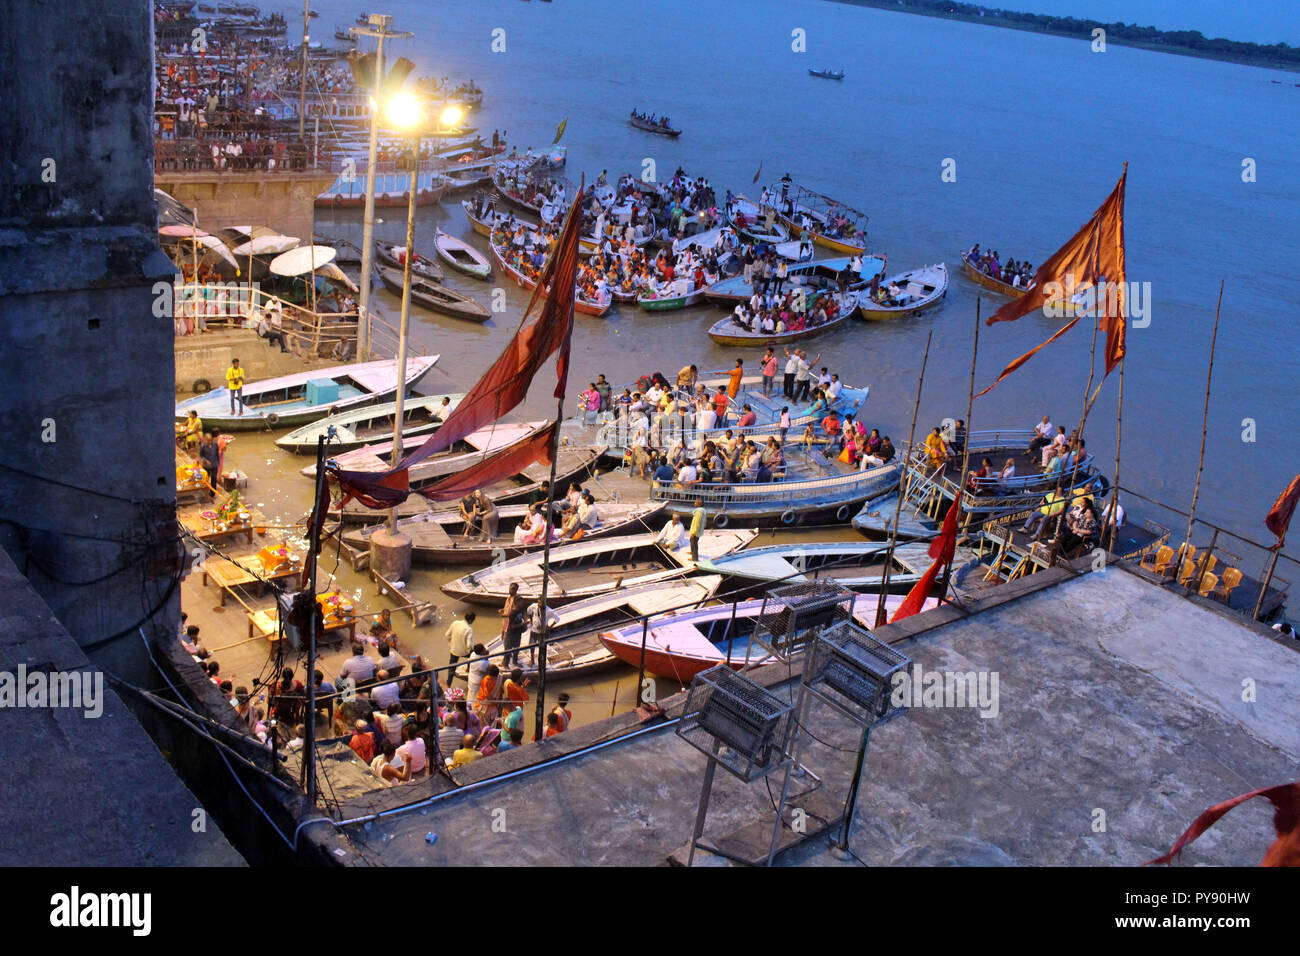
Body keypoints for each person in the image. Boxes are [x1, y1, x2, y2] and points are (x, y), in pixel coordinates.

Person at [499, 583, 527, 668]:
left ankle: (512, 662)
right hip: (506, 624)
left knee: (514, 645)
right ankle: (506, 661)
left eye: (513, 589)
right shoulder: (509, 598)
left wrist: (505, 615)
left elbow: (515, 611)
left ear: (516, 590)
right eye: (510, 588)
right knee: (506, 643)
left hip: (515, 626)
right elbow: (508, 609)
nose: (511, 590)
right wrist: (503, 610)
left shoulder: (519, 599)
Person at [198, 431, 220, 499]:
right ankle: (205, 493)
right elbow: (201, 455)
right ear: (206, 440)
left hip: (214, 465)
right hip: (206, 466)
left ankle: (212, 493)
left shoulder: (215, 445)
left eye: (211, 440)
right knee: (206, 479)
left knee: (214, 478)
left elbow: (217, 454)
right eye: (208, 440)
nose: (210, 441)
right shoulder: (203, 446)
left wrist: (218, 462)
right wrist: (206, 460)